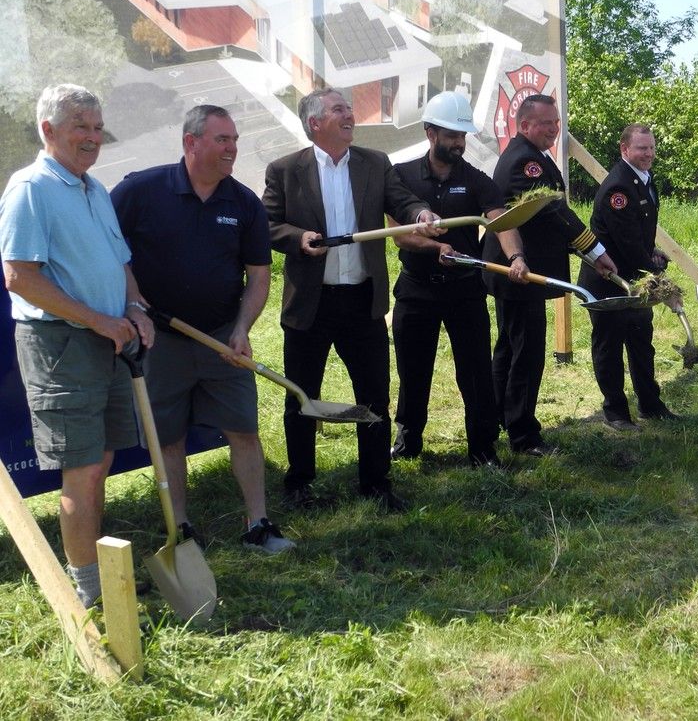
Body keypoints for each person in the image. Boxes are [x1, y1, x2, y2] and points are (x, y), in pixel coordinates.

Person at [111, 105, 295, 554]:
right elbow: (110, 251)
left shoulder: (244, 203)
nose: (232, 148)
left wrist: (242, 328)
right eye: (222, 139)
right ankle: (181, 530)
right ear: (191, 142)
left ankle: (258, 525)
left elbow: (259, 276)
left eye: (234, 140)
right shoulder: (140, 191)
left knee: (244, 430)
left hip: (221, 339)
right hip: (162, 340)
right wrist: (134, 299)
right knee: (168, 439)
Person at [0, 84, 154, 607]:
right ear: (48, 130)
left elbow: (120, 261)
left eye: (97, 127)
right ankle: (90, 593)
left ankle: (98, 574)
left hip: (108, 339)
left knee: (99, 460)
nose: (92, 137)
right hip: (62, 344)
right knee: (83, 469)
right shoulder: (31, 188)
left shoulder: (93, 188)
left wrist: (134, 308)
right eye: (80, 127)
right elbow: (20, 277)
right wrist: (99, 321)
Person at [264, 88, 438, 512]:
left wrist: (420, 214)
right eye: (339, 109)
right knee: (302, 396)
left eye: (349, 108)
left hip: (362, 301)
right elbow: (266, 225)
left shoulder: (374, 163)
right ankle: (300, 483)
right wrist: (298, 238)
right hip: (311, 303)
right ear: (314, 123)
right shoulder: (285, 171)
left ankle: (376, 482)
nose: (350, 115)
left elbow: (402, 200)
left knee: (374, 395)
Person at [389, 92, 529, 465]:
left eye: (462, 135)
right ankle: (408, 441)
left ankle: (483, 448)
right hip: (416, 291)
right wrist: (435, 248)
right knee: (413, 370)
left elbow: (502, 223)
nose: (459, 143)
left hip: (465, 291)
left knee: (476, 372)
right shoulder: (402, 176)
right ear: (430, 133)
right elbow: (399, 234)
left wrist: (516, 257)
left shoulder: (477, 180)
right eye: (452, 135)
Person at [484, 94, 617, 456]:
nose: (554, 129)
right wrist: (596, 251)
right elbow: (553, 213)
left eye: (556, 123)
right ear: (524, 125)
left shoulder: (535, 156)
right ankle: (523, 435)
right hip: (519, 273)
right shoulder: (525, 162)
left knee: (510, 348)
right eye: (546, 123)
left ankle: (497, 418)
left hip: (520, 273)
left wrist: (587, 252)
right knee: (526, 354)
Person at [578, 124, 678, 430]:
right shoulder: (618, 188)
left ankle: (650, 404)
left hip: (635, 280)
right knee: (609, 347)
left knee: (641, 343)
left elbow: (639, 233)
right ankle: (616, 413)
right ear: (625, 149)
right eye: (641, 148)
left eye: (651, 148)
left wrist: (653, 252)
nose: (648, 154)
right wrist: (658, 278)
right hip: (608, 282)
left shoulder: (644, 179)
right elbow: (627, 243)